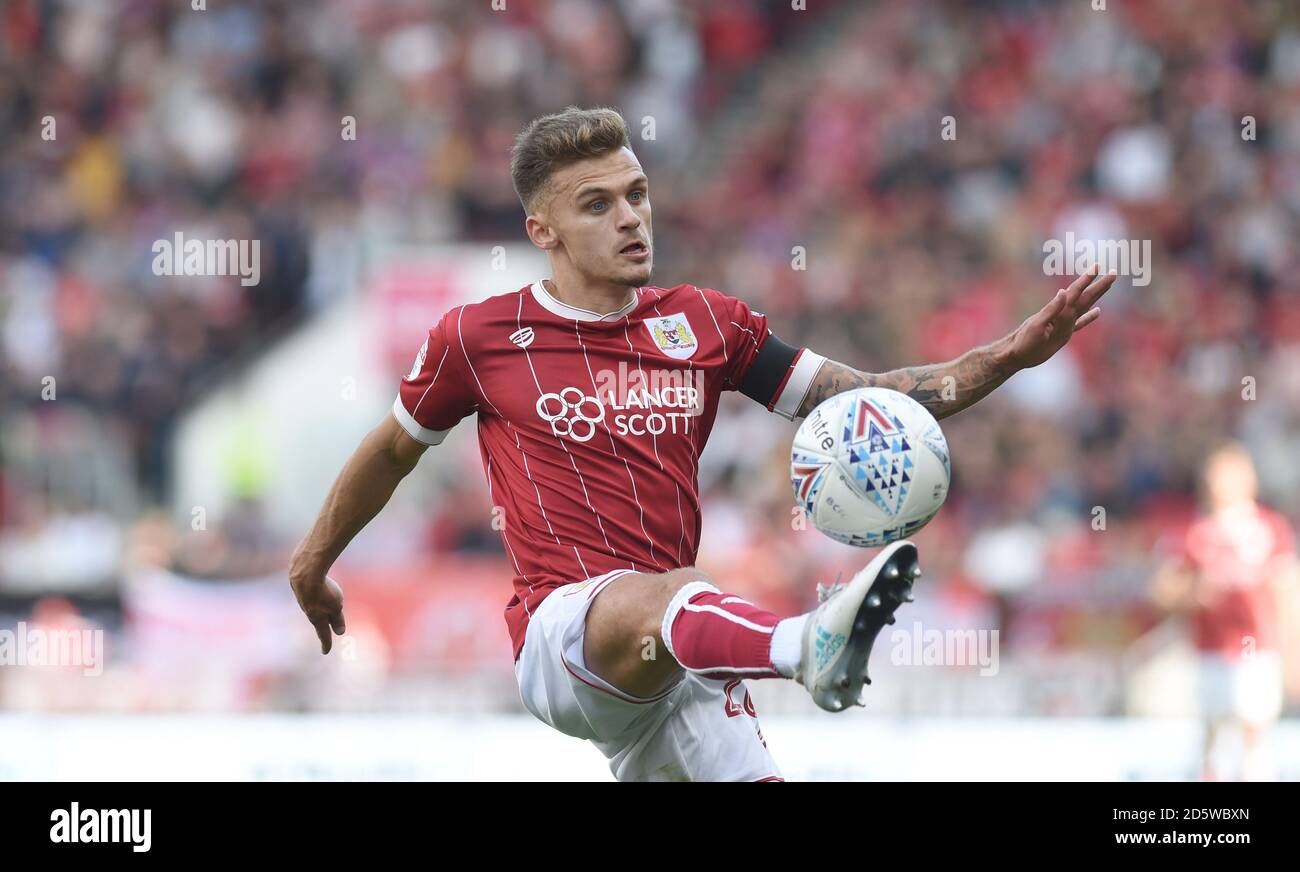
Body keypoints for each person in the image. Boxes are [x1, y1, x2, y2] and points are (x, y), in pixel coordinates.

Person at [289, 107, 1114, 781]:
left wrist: (1003, 358)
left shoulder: (707, 324)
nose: (630, 218)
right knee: (674, 589)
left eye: (637, 194)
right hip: (565, 633)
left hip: (681, 658)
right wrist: (312, 563)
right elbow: (394, 450)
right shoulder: (479, 337)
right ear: (542, 230)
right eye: (597, 205)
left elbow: (870, 398)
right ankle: (803, 645)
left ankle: (782, 646)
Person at [1152, 443, 1298, 781]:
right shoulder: (1194, 531)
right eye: (1217, 475)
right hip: (1210, 652)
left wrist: (1293, 655)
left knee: (1254, 732)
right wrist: (1193, 594)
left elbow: (1287, 592)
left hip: (1258, 652)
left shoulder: (1269, 529)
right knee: (1213, 737)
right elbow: (1163, 589)